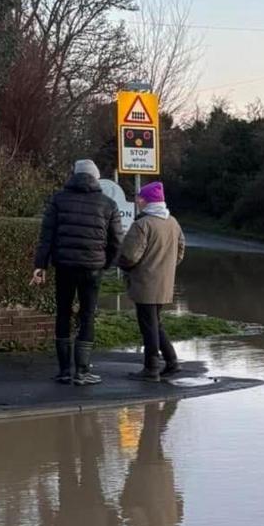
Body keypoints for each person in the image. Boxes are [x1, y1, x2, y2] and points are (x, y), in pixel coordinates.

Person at [32, 159, 123, 385]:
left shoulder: (58, 200)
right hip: (92, 269)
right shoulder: (108, 204)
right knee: (87, 316)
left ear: (74, 175)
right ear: (96, 177)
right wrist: (105, 264)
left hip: (64, 266)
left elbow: (47, 236)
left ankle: (64, 371)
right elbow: (116, 242)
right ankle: (82, 372)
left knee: (63, 313)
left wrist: (40, 265)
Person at [118, 181, 185, 381]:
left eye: (140, 197)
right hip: (164, 281)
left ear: (148, 201)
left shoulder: (142, 224)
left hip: (145, 281)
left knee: (148, 325)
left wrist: (122, 265)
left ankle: (151, 368)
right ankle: (172, 362)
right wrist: (168, 267)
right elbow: (181, 250)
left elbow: (129, 255)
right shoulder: (172, 222)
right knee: (155, 323)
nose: (137, 200)